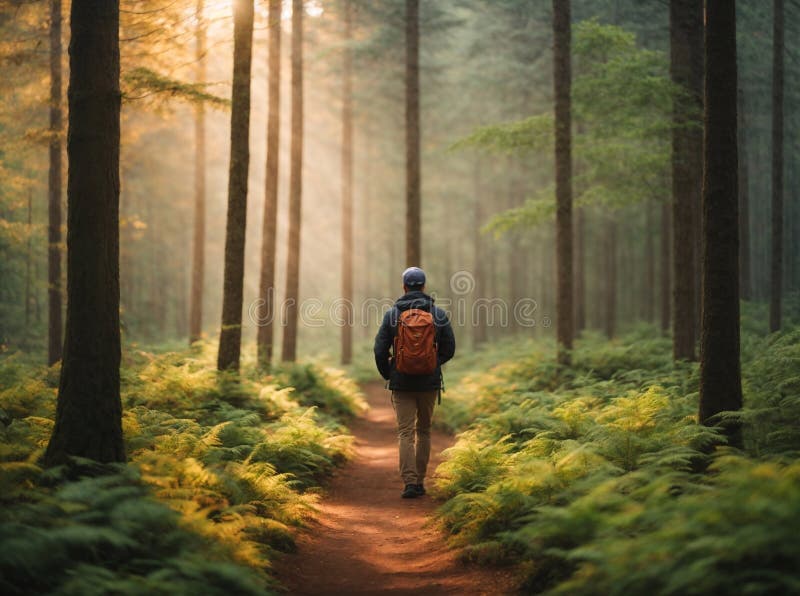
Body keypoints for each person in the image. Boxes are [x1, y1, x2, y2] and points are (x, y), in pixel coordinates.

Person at [374, 267, 456, 499]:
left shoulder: (392, 315)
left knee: (405, 432)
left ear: (404, 287)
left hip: (401, 382)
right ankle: (420, 481)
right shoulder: (438, 314)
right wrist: (432, 363)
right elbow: (450, 349)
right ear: (423, 286)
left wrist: (389, 373)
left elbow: (379, 350)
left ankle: (409, 482)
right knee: (424, 431)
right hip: (429, 383)